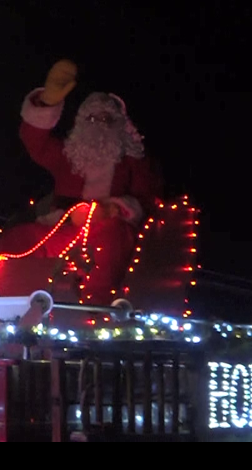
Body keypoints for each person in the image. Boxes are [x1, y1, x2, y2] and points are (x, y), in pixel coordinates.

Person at [18, 59, 162, 305]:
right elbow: (34, 141)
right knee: (19, 239)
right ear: (81, 122)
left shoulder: (130, 160)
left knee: (112, 240)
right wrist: (47, 102)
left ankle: (95, 308)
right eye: (93, 119)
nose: (99, 126)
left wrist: (113, 209)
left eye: (107, 120)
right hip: (64, 227)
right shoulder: (68, 155)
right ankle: (17, 299)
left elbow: (146, 196)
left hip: (108, 230)